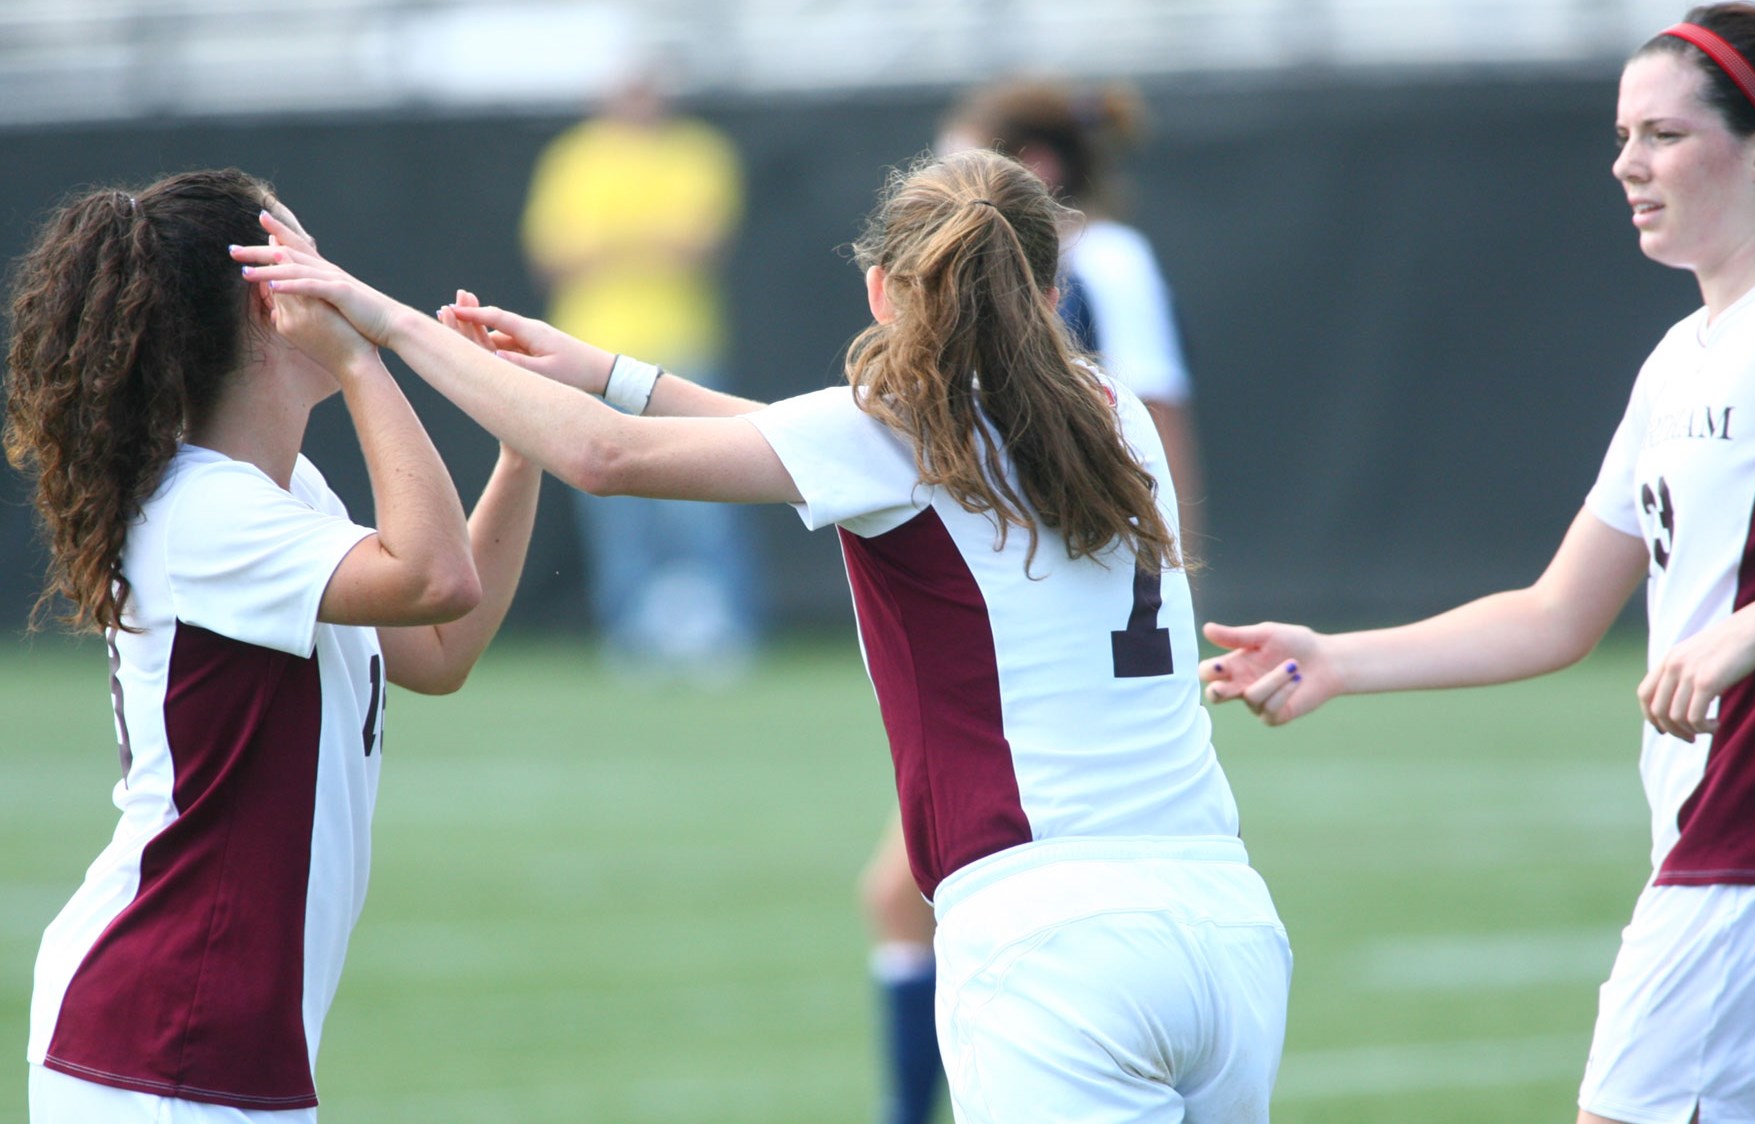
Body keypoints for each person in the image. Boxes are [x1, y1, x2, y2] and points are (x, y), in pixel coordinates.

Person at [237, 146, 1293, 1122]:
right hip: (1226, 922)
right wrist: (605, 367)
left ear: (881, 289)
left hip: (1054, 934)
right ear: (1050, 289)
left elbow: (607, 459)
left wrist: (381, 321)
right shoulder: (1109, 412)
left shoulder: (898, 431)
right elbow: (803, 440)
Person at [1202, 5, 1755, 1123]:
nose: (1627, 162)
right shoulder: (1681, 357)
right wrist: (1337, 656)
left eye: (1664, 134)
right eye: (1623, 134)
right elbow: (1553, 611)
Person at [5, 169, 542, 1121]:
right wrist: (363, 361)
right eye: (307, 253)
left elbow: (442, 646)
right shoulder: (206, 512)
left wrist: (523, 439)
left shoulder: (281, 496)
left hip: (205, 1045)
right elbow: (434, 577)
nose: (334, 273)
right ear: (271, 298)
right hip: (160, 1041)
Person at [849, 79, 1215, 1123]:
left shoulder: (1107, 273)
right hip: (1012, 601)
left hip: (1056, 626)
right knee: (902, 889)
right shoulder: (971, 353)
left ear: (1032, 176)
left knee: (924, 884)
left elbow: (1152, 420)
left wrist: (1174, 574)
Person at [521, 63, 757, 677]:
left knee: (707, 496)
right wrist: (646, 242)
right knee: (612, 505)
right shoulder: (574, 158)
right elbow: (555, 256)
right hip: (590, 355)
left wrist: (611, 245)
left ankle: (723, 631)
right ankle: (631, 636)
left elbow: (697, 247)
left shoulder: (699, 153)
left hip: (679, 351)